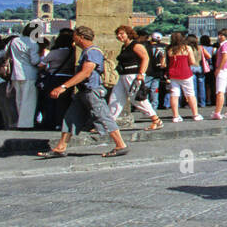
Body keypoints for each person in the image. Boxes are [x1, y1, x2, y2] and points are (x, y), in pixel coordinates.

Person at [36, 25, 130, 158]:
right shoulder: (87, 51)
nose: (73, 39)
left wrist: (63, 87)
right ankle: (60, 148)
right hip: (84, 92)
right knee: (70, 118)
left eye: (74, 36)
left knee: (103, 116)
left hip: (92, 91)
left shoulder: (92, 52)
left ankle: (121, 145)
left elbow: (86, 73)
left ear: (80, 37)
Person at [109, 25, 163, 129]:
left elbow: (145, 58)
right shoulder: (124, 46)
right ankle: (109, 123)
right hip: (123, 75)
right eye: (118, 34)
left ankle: (156, 120)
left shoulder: (136, 45)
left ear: (128, 34)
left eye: (122, 33)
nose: (119, 36)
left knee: (137, 99)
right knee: (115, 98)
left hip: (133, 75)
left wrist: (141, 74)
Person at [5, 20, 43, 129]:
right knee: (29, 100)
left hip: (15, 74)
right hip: (29, 74)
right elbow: (34, 61)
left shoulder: (14, 41)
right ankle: (26, 124)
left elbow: (4, 53)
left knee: (19, 99)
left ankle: (20, 122)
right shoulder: (33, 43)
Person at [38, 28, 76, 131]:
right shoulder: (73, 53)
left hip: (55, 77)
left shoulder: (54, 53)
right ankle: (63, 123)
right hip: (69, 78)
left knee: (52, 102)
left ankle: (51, 122)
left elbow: (41, 65)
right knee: (65, 102)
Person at [164, 31, 203, 122]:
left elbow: (164, 63)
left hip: (173, 74)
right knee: (190, 94)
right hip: (185, 73)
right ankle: (195, 114)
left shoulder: (169, 49)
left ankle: (175, 116)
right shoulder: (187, 48)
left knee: (174, 95)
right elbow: (192, 62)